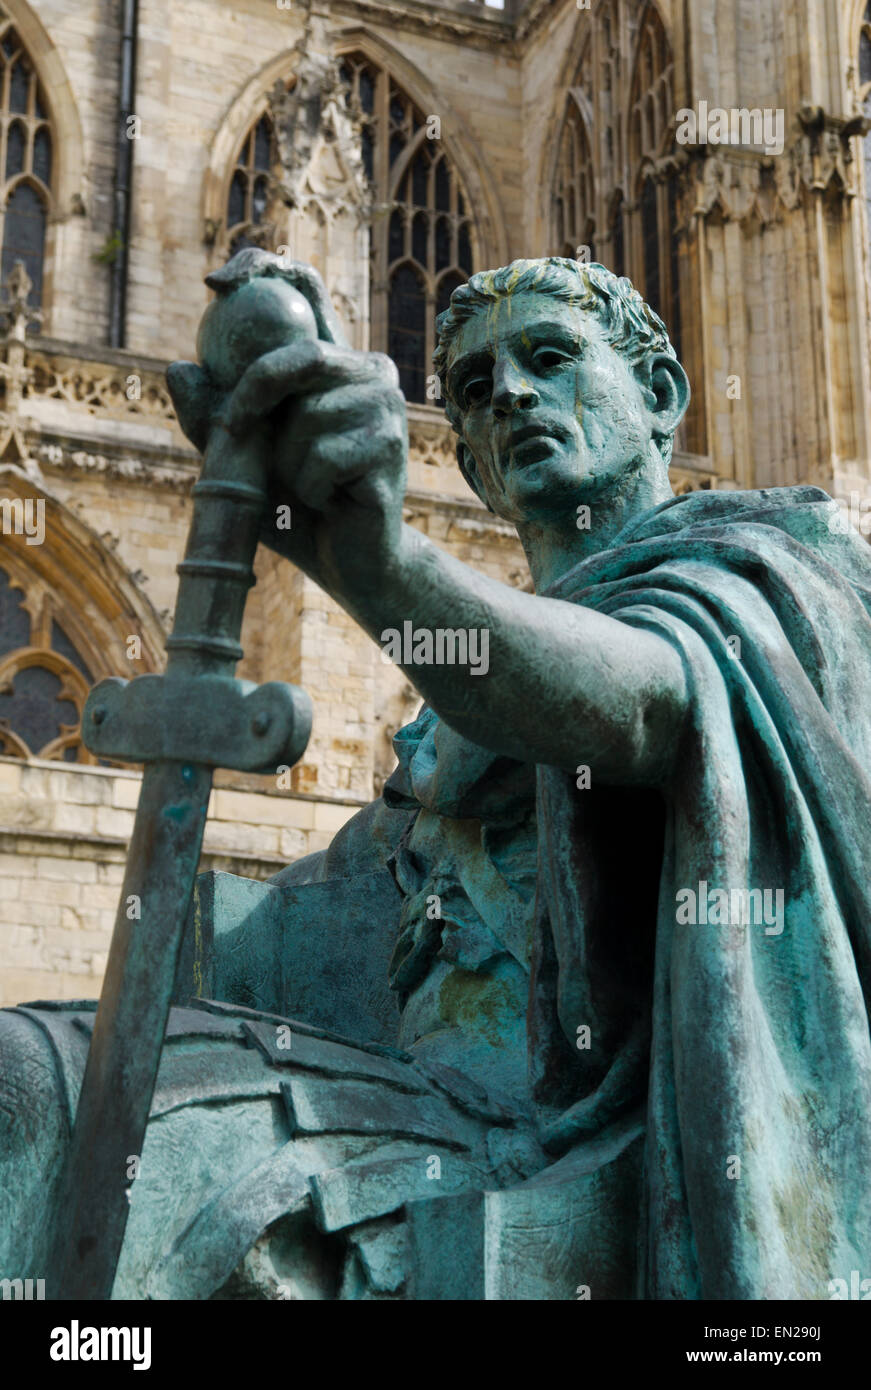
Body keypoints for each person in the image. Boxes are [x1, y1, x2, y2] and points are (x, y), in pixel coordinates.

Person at [2, 254, 870, 1299]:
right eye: (472, 387)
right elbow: (332, 921)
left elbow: (632, 701)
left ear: (661, 395)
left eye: (550, 357)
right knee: (26, 1078)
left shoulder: (779, 560)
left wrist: (377, 563)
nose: (510, 392)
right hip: (424, 1107)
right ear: (468, 467)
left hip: (595, 1147)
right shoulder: (439, 736)